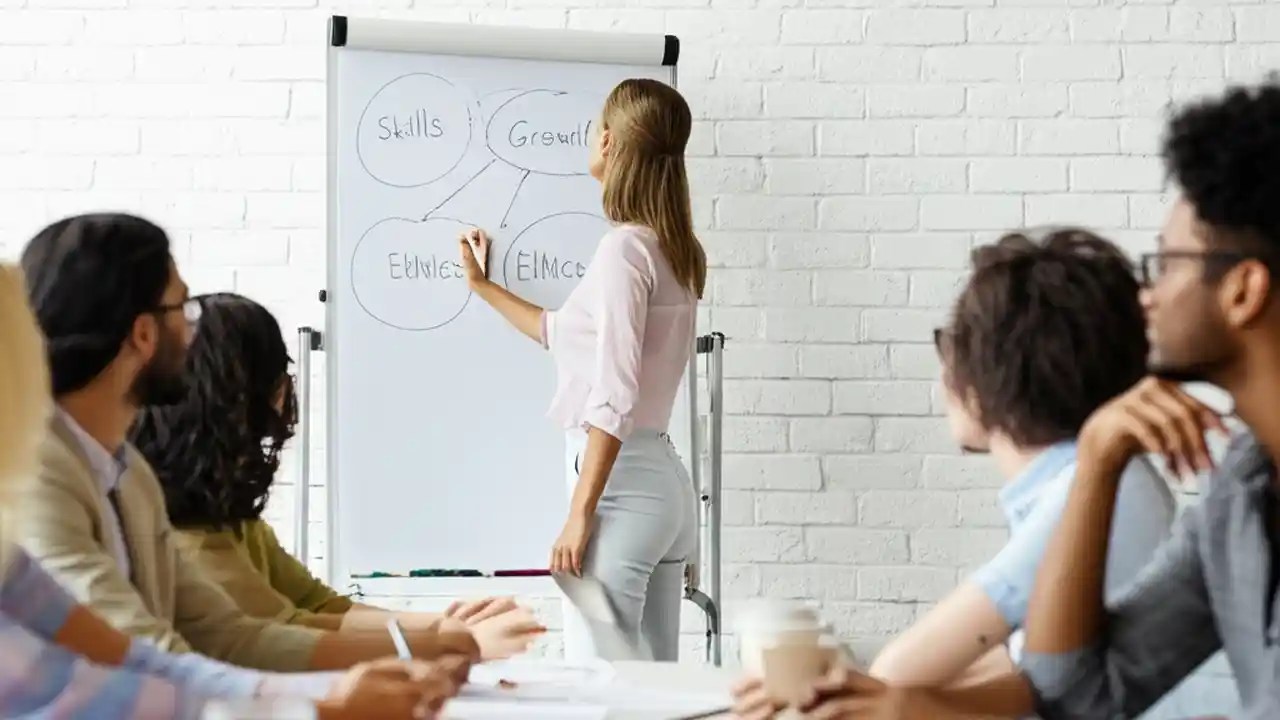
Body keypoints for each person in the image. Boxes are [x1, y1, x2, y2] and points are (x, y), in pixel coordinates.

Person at [731, 230, 1177, 718]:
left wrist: (857, 688)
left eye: (953, 346)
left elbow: (902, 672)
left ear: (988, 377)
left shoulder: (1095, 487)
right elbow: (1020, 672)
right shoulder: (1112, 477)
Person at [14, 212, 481, 672]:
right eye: (184, 309)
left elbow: (230, 636)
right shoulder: (35, 476)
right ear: (143, 333)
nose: (193, 332)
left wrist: (423, 648)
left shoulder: (129, 473)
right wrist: (333, 698)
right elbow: (143, 657)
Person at [1017, 81, 1280, 718]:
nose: (1146, 296)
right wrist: (1098, 459)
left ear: (1242, 290)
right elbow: (1075, 693)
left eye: (1165, 264)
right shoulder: (1239, 499)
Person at [130, 291, 546, 660]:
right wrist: (444, 639)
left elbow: (317, 605)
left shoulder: (228, 511)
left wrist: (440, 626)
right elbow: (280, 631)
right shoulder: (181, 529)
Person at [457, 78, 704, 662]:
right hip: (663, 488)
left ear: (610, 143)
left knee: (599, 688)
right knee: (655, 692)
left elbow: (614, 393)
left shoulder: (625, 251)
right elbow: (559, 332)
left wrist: (579, 513)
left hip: (621, 493)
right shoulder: (676, 250)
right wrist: (482, 287)